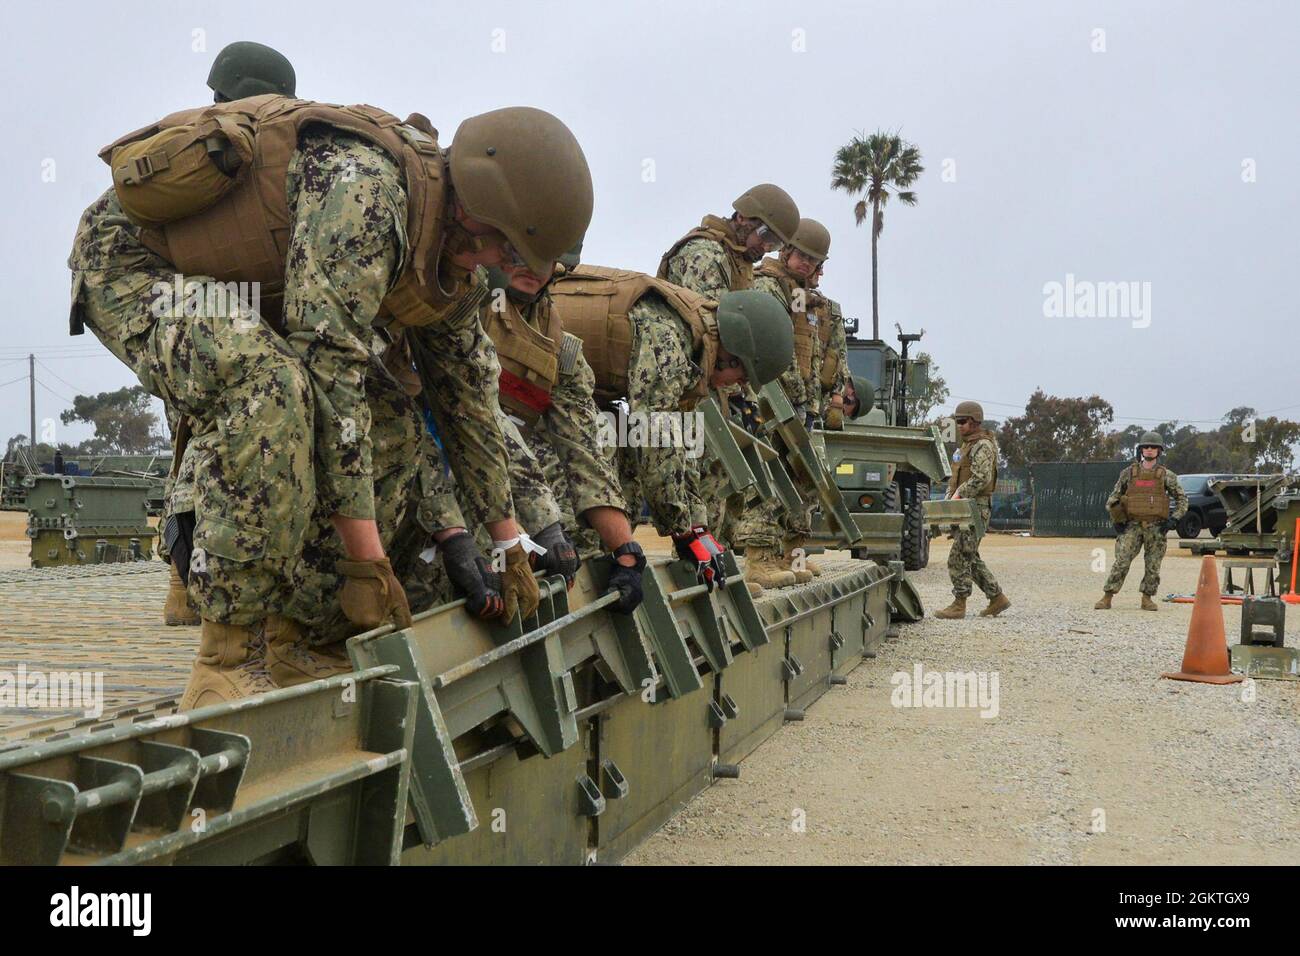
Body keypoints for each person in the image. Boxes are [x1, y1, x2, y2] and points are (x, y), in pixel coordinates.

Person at [73, 94, 592, 707]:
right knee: (270, 387)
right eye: (504, 252)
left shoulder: (451, 258)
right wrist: (366, 565)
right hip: (134, 268)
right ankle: (227, 655)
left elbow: (468, 402)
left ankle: (298, 636)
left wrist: (509, 540)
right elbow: (330, 373)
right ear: (479, 209)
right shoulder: (366, 195)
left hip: (235, 292)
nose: (499, 269)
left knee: (393, 415)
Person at [162, 40, 299, 629]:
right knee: (234, 452)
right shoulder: (280, 155)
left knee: (196, 448)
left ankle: (183, 585)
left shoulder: (193, 154)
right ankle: (210, 590)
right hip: (246, 324)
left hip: (189, 322)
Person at [549, 267, 792, 591]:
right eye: (743, 377)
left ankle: (600, 563)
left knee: (628, 480)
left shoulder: (696, 349)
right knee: (598, 458)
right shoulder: (670, 338)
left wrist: (697, 527)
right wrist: (684, 530)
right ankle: (571, 570)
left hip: (570, 391)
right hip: (537, 388)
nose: (738, 387)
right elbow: (654, 439)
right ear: (732, 357)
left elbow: (679, 451)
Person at [474, 249, 646, 612]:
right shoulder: (451, 315)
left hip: (496, 492)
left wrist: (626, 552)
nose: (533, 268)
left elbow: (584, 451)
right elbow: (475, 426)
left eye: (545, 259)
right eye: (518, 252)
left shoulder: (558, 348)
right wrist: (544, 529)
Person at [730, 218, 840, 588]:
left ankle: (790, 557)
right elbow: (774, 350)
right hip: (768, 401)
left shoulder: (805, 296)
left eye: (815, 261)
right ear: (786, 250)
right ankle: (758, 563)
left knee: (802, 482)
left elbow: (817, 354)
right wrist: (791, 398)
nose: (808, 265)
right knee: (768, 481)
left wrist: (816, 402)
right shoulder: (768, 285)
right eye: (803, 257)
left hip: (800, 406)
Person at [934, 401, 1012, 619]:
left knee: (958, 557)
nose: (959, 425)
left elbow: (981, 477)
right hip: (964, 507)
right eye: (957, 421)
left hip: (975, 508)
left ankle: (959, 604)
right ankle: (997, 597)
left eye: (963, 421)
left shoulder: (982, 446)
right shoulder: (966, 446)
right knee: (970, 556)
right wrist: (951, 497)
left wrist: (960, 492)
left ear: (975, 421)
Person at [1096, 432, 1188, 611]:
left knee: (1153, 564)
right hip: (1132, 525)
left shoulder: (1166, 476)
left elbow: (1182, 499)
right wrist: (1117, 518)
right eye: (1146, 447)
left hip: (1156, 527)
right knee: (1122, 560)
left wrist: (1174, 519)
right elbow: (1113, 497)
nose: (1149, 450)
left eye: (1153, 447)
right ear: (1141, 450)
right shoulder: (1129, 473)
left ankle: (1147, 598)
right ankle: (1107, 596)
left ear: (1159, 451)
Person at [657, 183, 800, 298]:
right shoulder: (706, 252)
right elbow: (712, 322)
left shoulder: (739, 262)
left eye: (775, 245)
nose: (766, 247)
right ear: (742, 218)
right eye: (767, 236)